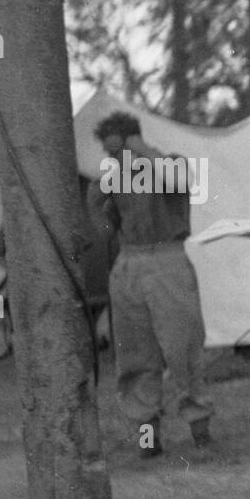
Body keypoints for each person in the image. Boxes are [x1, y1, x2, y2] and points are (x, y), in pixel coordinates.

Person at [90, 111, 212, 457]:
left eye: (120, 148)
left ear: (134, 140)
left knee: (183, 348)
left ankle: (201, 432)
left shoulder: (167, 164)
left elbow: (179, 181)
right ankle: (149, 440)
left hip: (168, 259)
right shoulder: (115, 178)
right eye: (109, 152)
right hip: (129, 262)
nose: (115, 158)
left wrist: (139, 150)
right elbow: (101, 218)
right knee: (134, 356)